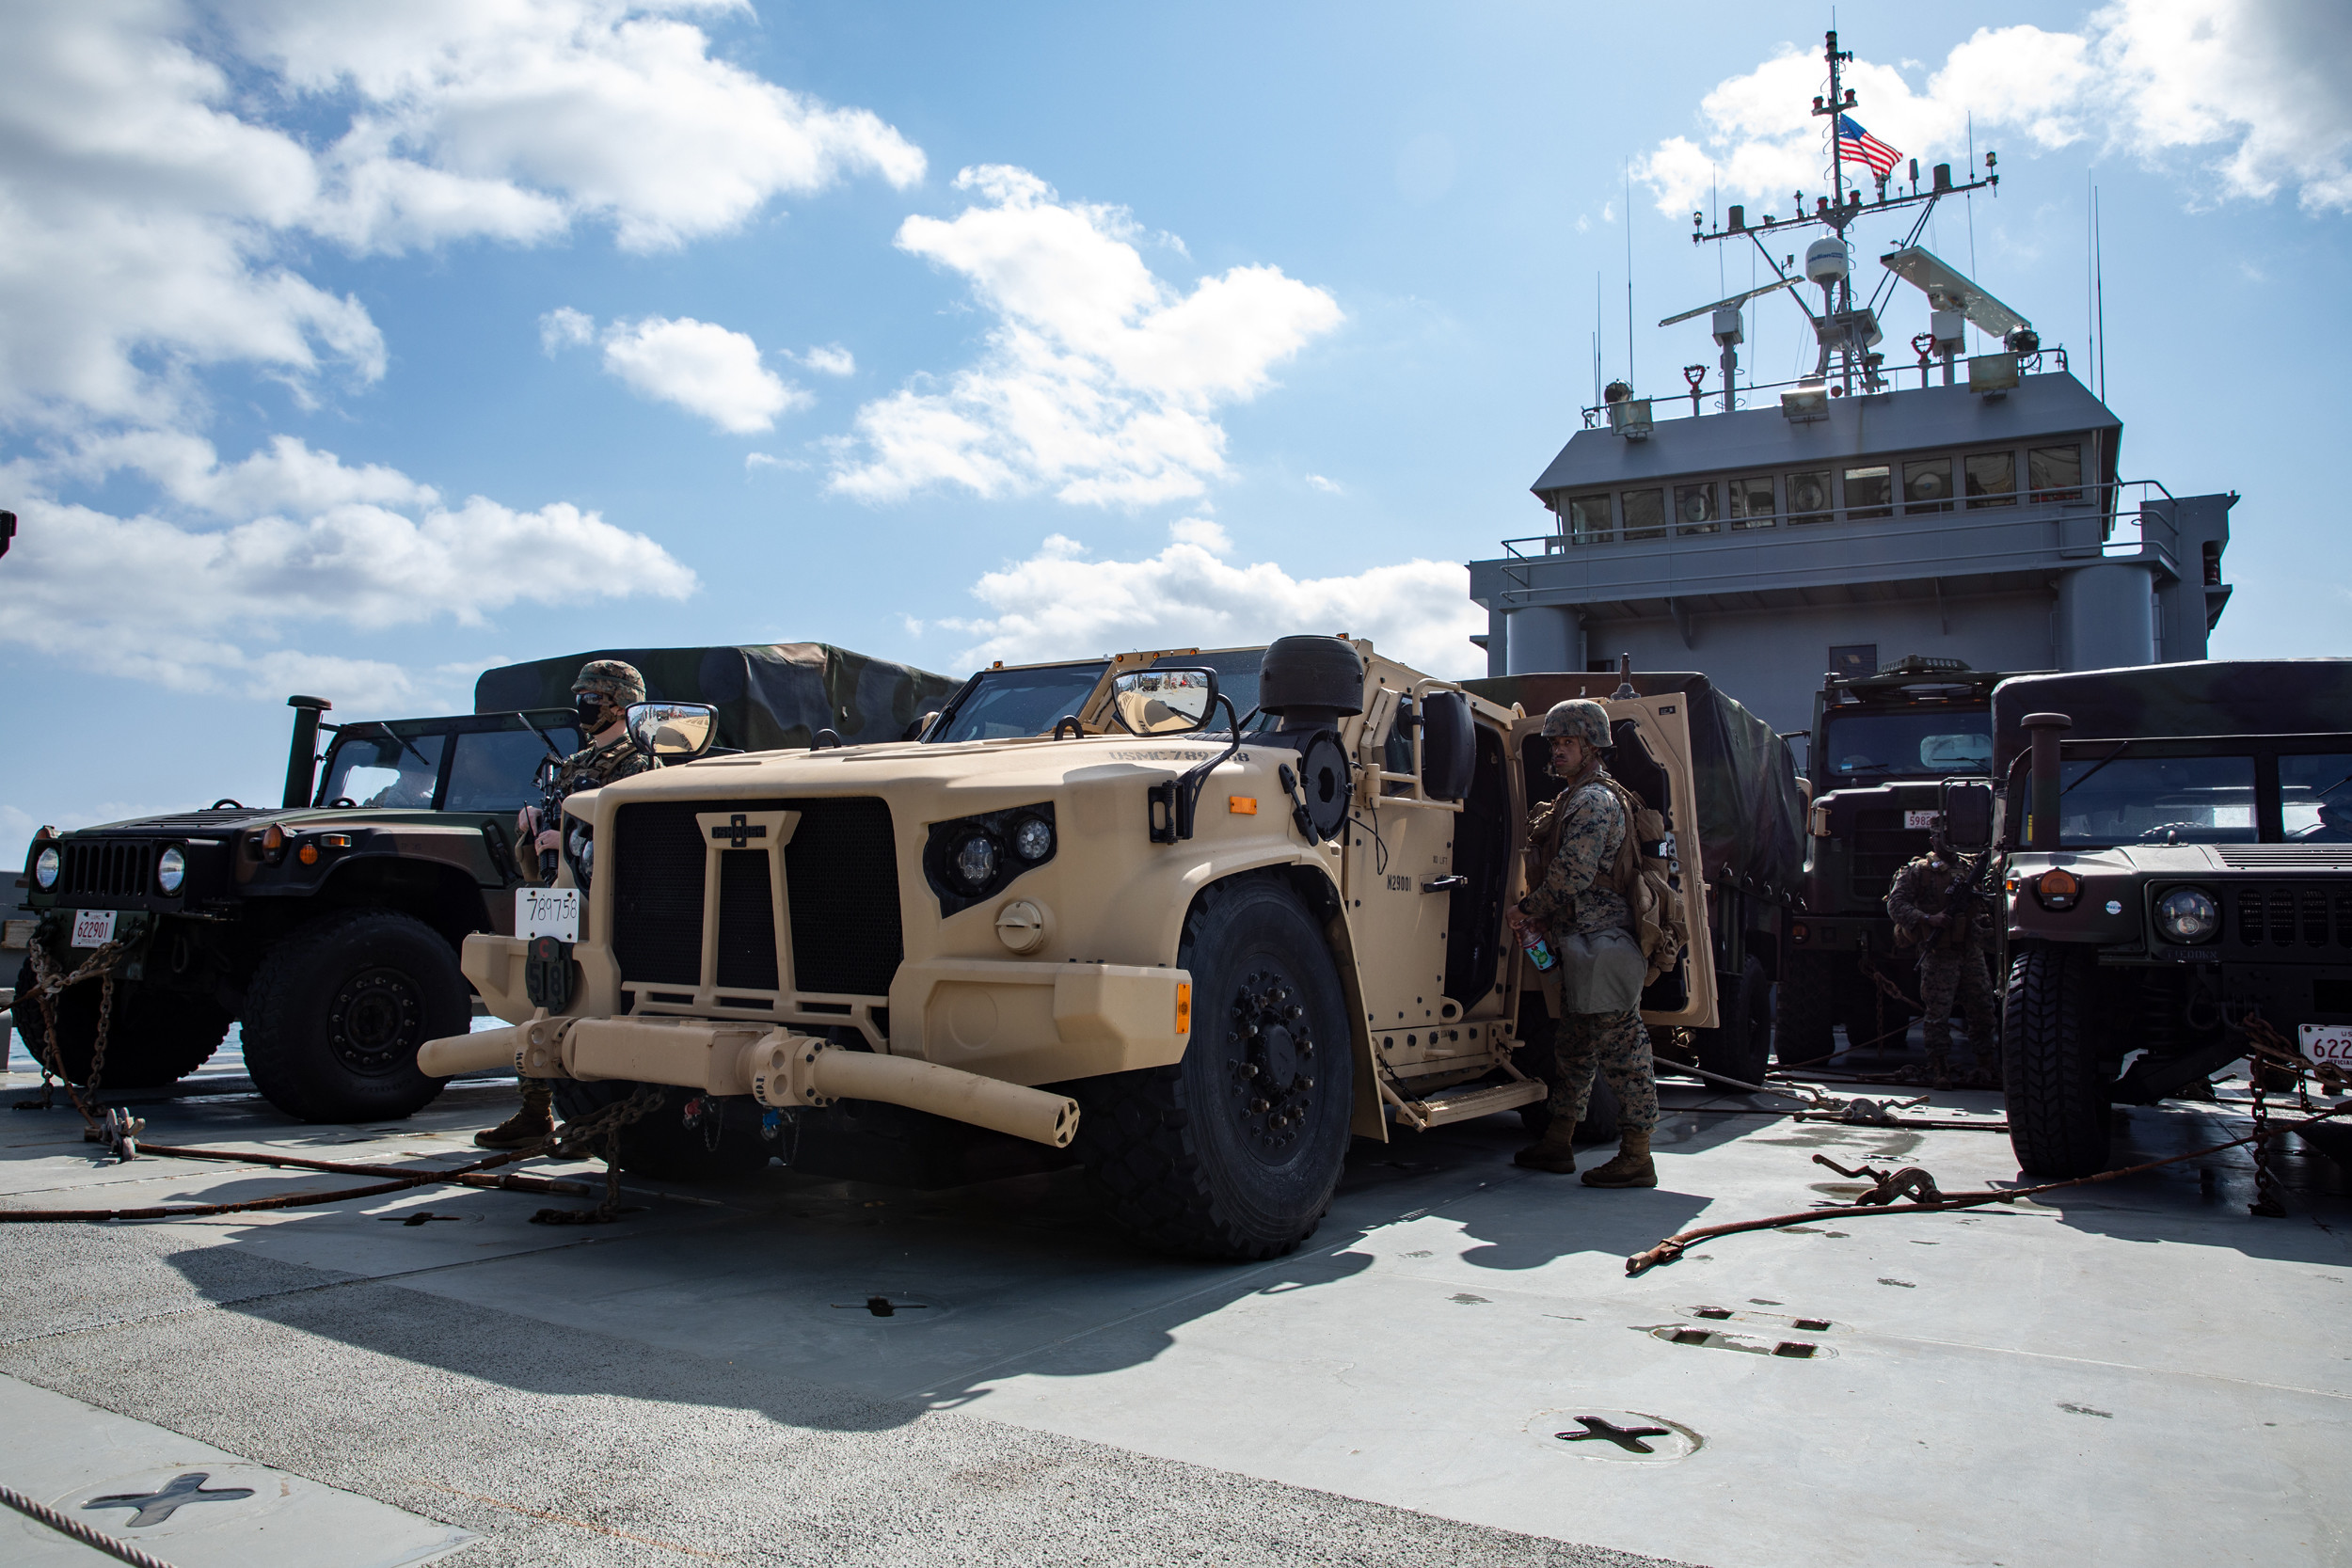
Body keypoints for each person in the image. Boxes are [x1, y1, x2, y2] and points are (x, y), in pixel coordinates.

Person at [474, 658, 652, 1149]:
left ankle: (601, 1115)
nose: (583, 708)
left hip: (603, 902)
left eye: (592, 699)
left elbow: (635, 835)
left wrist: (571, 836)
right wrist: (534, 833)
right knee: (539, 995)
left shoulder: (637, 764)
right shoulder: (575, 766)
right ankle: (535, 1108)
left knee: (589, 1003)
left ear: (619, 703)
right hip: (556, 895)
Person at [1504, 699, 1659, 1187]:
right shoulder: (1575, 796)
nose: (1557, 752)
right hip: (1580, 942)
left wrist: (1527, 910)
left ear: (1592, 745)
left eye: (1567, 743)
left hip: (1601, 940)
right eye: (1554, 743)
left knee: (1623, 1050)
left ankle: (1638, 1156)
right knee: (1573, 1048)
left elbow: (1572, 874)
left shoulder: (1593, 800)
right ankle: (1558, 1142)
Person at [1883, 834, 1997, 1088]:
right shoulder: (1917, 871)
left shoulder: (1970, 868)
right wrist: (1928, 918)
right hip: (1939, 952)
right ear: (1932, 840)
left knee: (1982, 1008)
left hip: (1970, 949)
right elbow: (1896, 904)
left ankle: (1986, 1064)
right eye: (1940, 836)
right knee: (1937, 1014)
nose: (1945, 842)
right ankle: (1939, 1067)